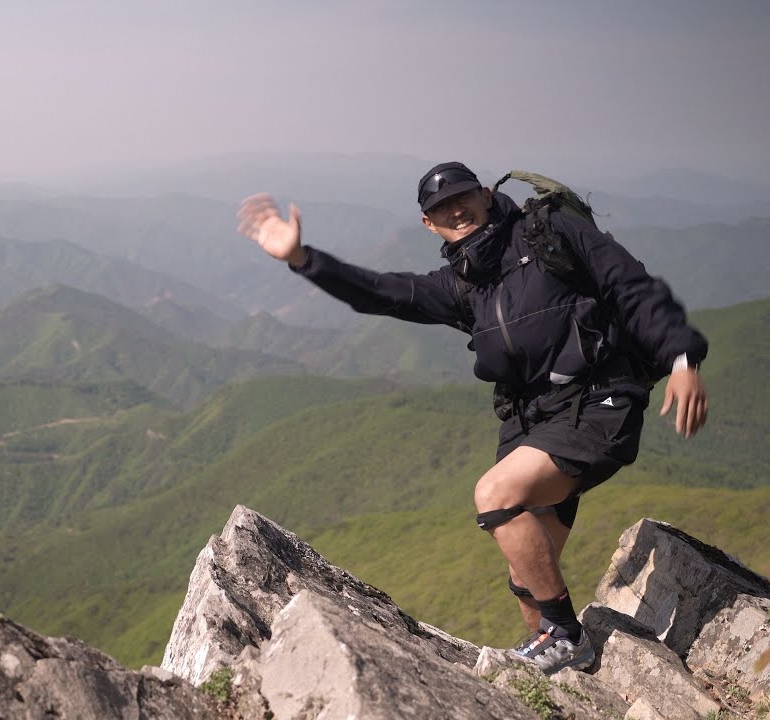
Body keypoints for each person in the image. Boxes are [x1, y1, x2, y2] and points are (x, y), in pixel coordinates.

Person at [236, 161, 709, 675]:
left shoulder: (549, 234)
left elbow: (630, 285)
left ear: (485, 195)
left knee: (495, 496)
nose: (454, 210)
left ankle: (568, 636)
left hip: (598, 401)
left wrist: (682, 357)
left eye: (461, 197)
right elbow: (384, 292)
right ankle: (563, 669)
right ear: (428, 224)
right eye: (439, 208)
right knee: (526, 575)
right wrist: (303, 259)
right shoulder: (464, 284)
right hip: (531, 420)